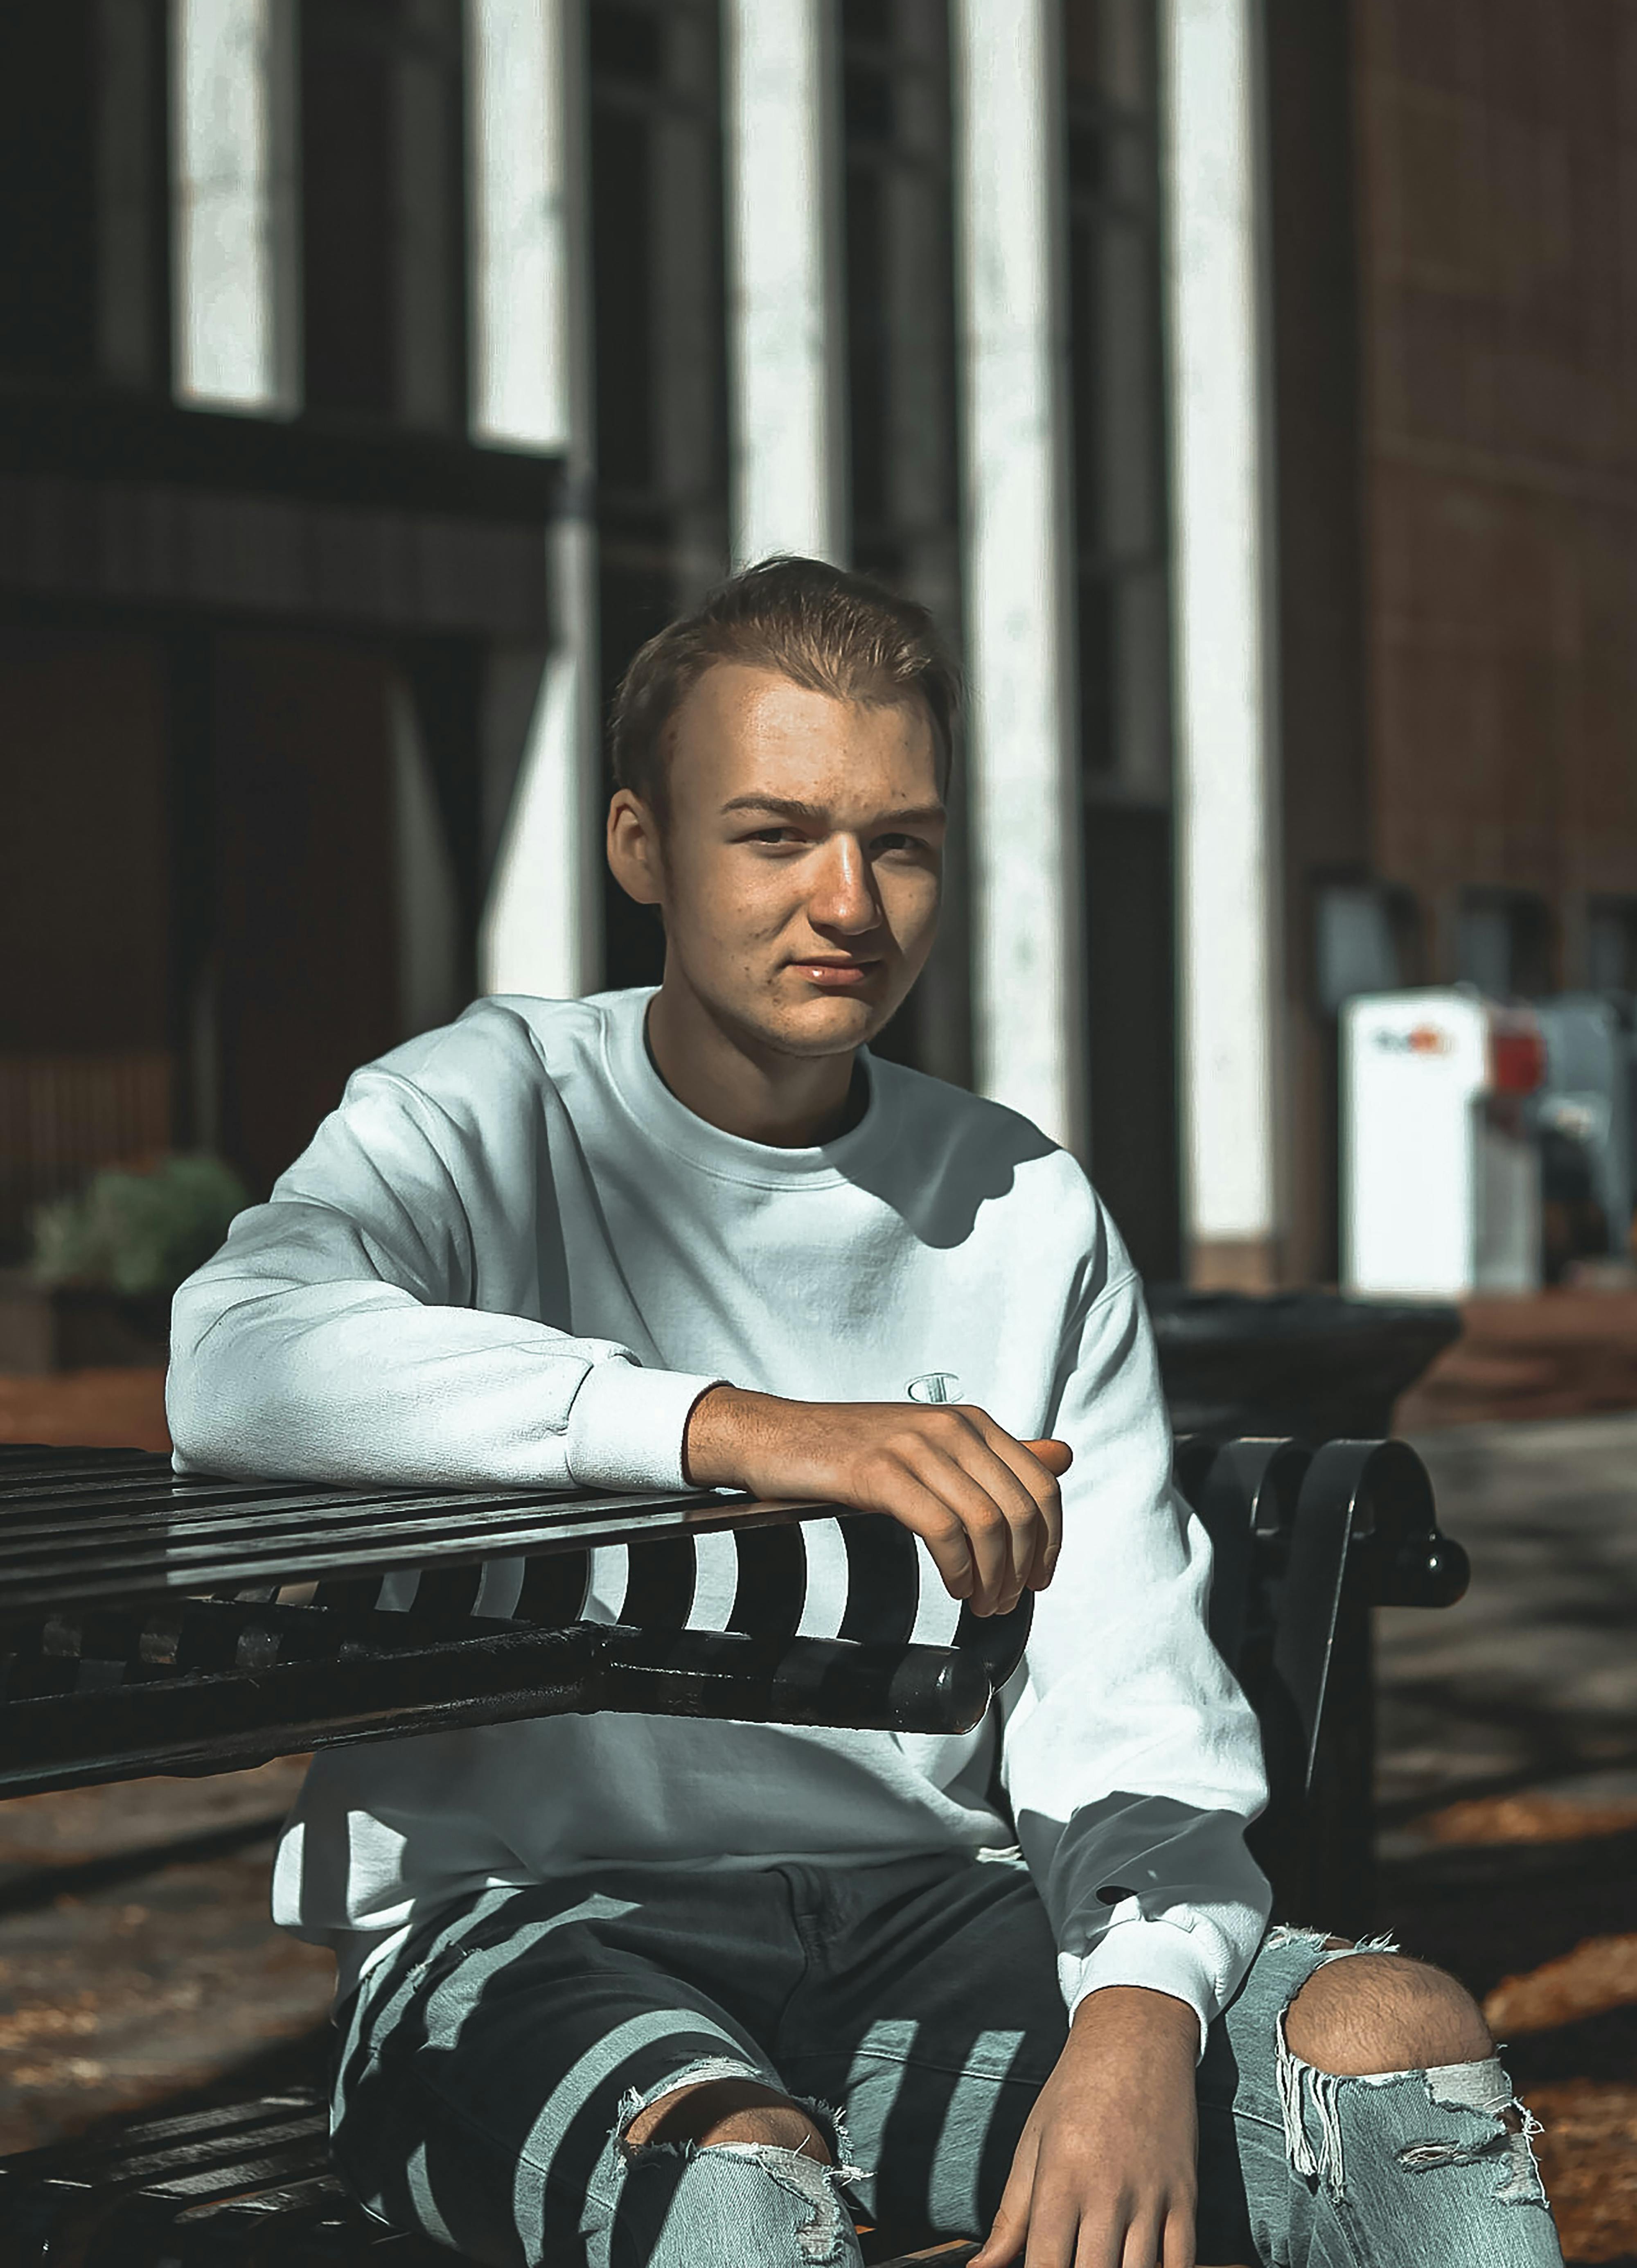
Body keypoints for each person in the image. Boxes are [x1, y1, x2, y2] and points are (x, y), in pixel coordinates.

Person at [168, 559, 1560, 2268]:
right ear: (638, 848)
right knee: (732, 2195)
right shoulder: (488, 1112)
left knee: (1391, 2054)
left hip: (933, 1937)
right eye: (773, 834)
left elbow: (1124, 1700)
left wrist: (1135, 2023)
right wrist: (746, 1430)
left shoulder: (1017, 1204)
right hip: (527, 1938)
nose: (849, 901)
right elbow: (234, 1355)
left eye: (899, 842)